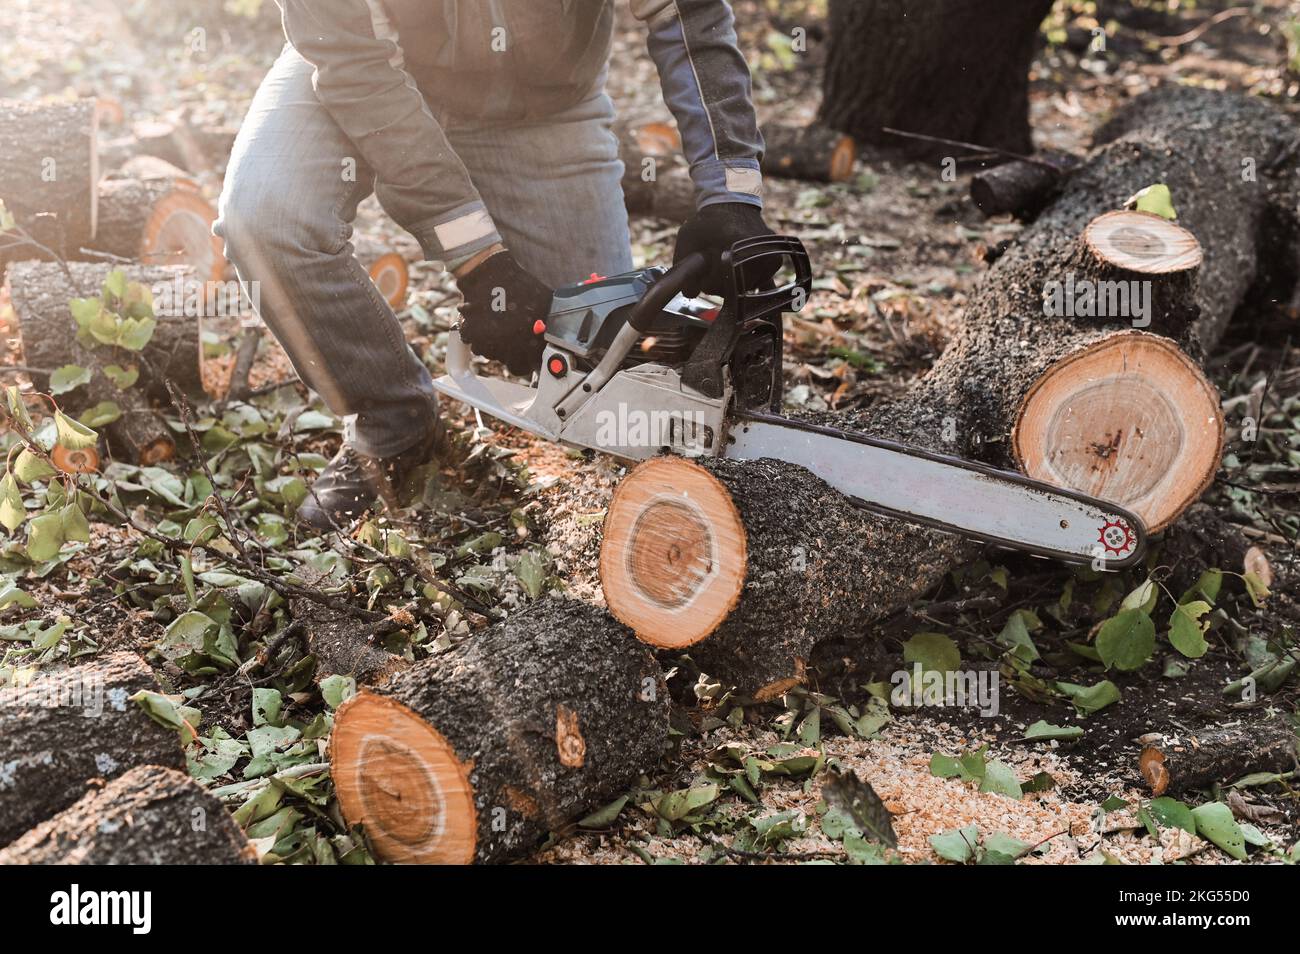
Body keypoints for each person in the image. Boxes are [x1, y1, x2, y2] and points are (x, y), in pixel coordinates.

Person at [216, 0, 774, 530]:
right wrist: (481, 265)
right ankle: (392, 419)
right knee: (267, 219)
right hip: (357, 69)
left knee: (603, 364)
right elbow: (355, 64)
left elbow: (687, 14)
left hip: (541, 109)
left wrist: (731, 190)